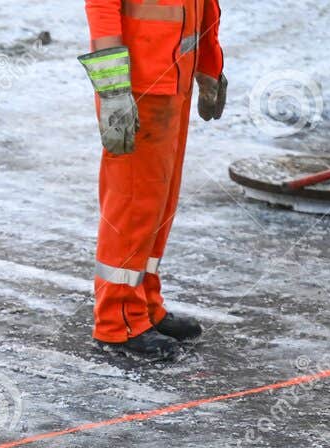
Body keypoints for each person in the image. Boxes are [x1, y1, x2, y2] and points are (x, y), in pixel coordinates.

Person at [79, 1, 226, 363]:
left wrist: (209, 68)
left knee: (158, 206)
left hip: (174, 82)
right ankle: (117, 321)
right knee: (132, 204)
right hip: (137, 89)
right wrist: (114, 91)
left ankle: (143, 303)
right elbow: (102, 8)